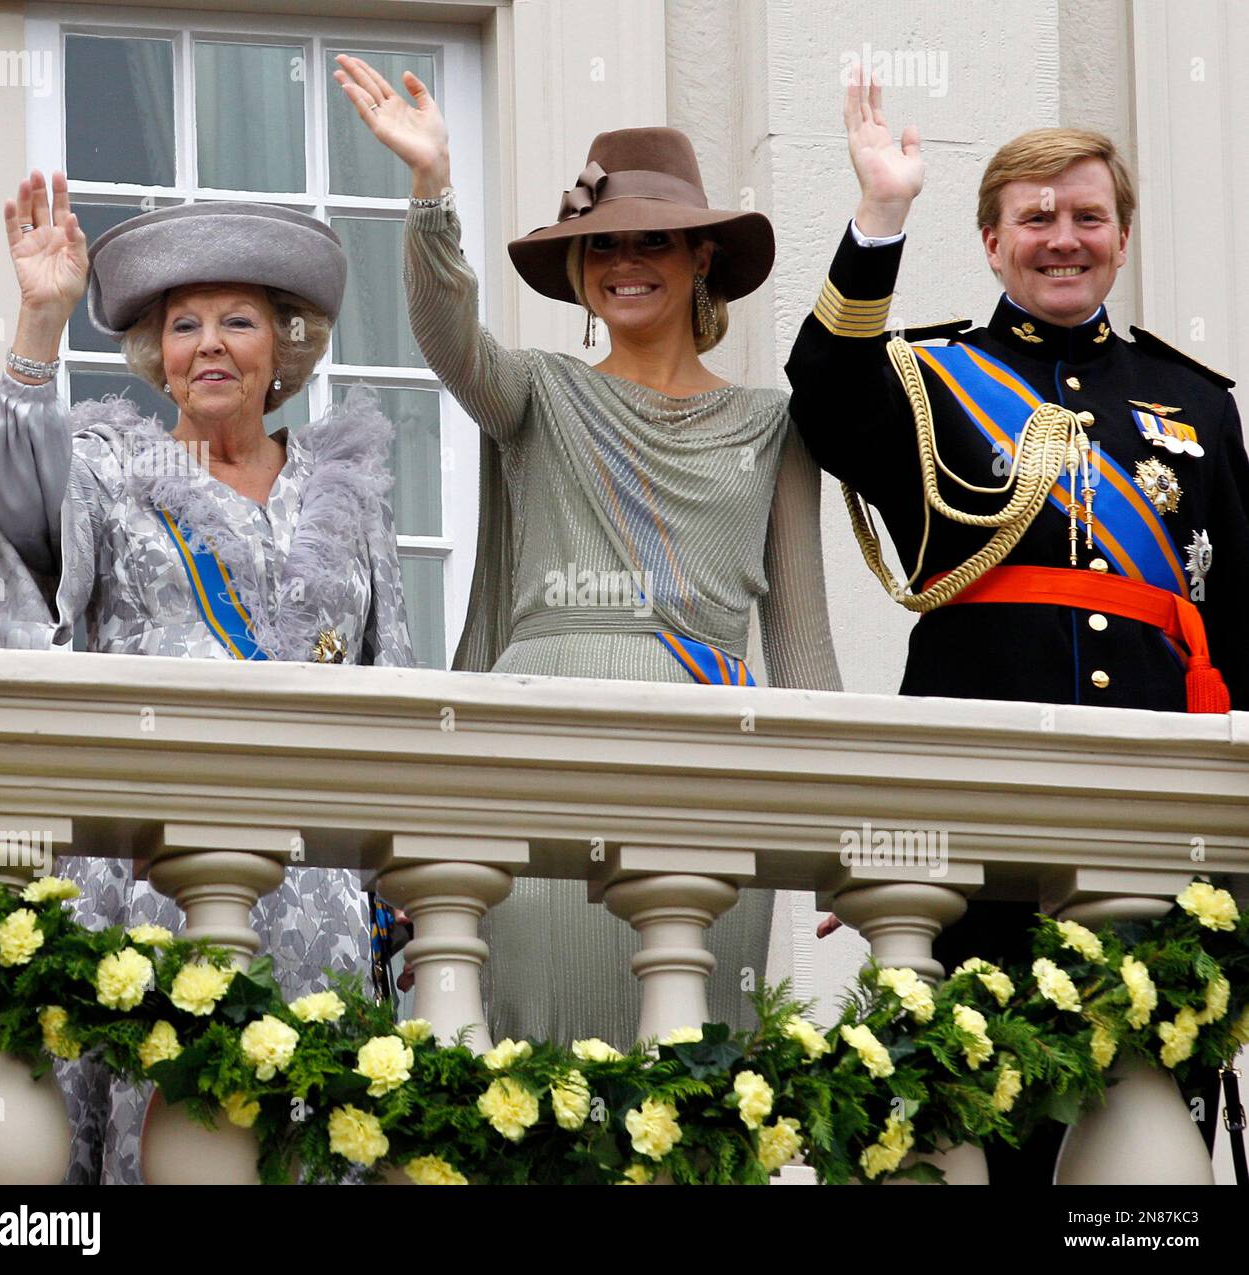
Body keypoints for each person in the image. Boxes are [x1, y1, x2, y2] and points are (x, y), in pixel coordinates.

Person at [787, 70, 1249, 1179]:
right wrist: (878, 215)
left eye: (1087, 216)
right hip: (973, 816)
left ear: (1122, 237)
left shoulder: (1194, 401)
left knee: (1137, 1141)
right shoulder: (932, 380)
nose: (1062, 239)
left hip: (1153, 822)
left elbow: (1235, 620)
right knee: (972, 1122)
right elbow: (823, 390)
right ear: (991, 241)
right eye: (1034, 217)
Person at [334, 55, 841, 1046]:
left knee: (687, 1078)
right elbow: (446, 339)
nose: (626, 260)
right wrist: (432, 190)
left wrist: (833, 825)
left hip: (707, 761)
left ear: (702, 258)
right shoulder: (535, 392)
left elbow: (803, 643)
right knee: (531, 1065)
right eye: (603, 242)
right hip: (534, 750)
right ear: (577, 265)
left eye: (654, 240)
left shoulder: (777, 427)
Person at [0, 172, 414, 1181]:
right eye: (184, 325)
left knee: (313, 1131)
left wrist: (407, 897)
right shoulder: (110, 474)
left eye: (239, 320)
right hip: (152, 872)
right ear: (154, 357)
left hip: (319, 886)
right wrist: (42, 319)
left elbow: (397, 686)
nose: (208, 342)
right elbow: (11, 500)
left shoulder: (348, 497)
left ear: (284, 350)